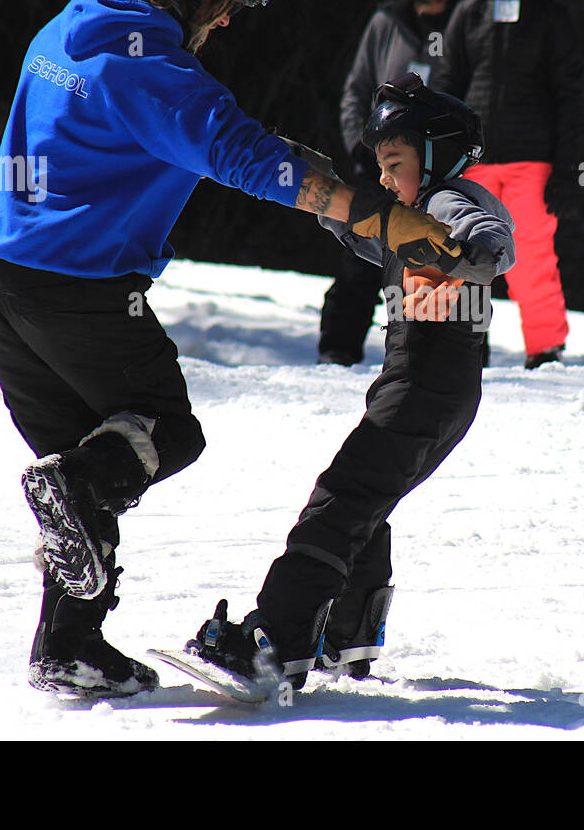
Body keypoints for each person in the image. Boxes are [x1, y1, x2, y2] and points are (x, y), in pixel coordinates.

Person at [0, 0, 465, 698]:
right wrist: (387, 220)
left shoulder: (80, 16)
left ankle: (67, 643)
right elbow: (250, 157)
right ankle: (77, 521)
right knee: (163, 433)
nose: (231, 21)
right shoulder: (153, 71)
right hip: (78, 293)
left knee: (83, 476)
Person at [183, 74, 515, 686]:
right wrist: (317, 183)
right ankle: (350, 637)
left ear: (436, 156)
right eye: (380, 167)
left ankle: (274, 643)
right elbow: (356, 222)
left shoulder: (444, 206)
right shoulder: (408, 214)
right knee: (365, 502)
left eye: (395, 163)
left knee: (340, 501)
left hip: (423, 387)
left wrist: (463, 255)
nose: (386, 180)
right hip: (432, 392)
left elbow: (491, 235)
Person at [432, 0, 581, 369]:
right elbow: (446, 87)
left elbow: (570, 95)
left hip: (530, 160)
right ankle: (466, 343)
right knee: (461, 248)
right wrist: (435, 154)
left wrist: (570, 164)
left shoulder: (552, 16)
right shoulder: (468, 13)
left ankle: (545, 350)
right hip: (471, 162)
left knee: (532, 257)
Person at [319, 0, 464, 366]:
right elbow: (355, 91)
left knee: (451, 259)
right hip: (383, 166)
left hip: (443, 172)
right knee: (360, 259)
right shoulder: (388, 22)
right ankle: (336, 352)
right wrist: (363, 153)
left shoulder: (467, 22)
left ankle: (465, 359)